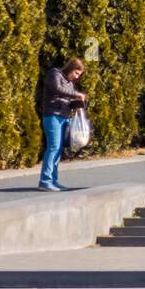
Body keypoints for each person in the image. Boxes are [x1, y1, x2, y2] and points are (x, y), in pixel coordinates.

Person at [39, 58, 86, 191]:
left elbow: (69, 98)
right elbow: (57, 89)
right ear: (71, 68)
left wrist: (77, 104)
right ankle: (45, 181)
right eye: (76, 73)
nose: (77, 77)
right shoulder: (55, 74)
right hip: (52, 116)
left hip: (64, 117)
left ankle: (53, 180)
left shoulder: (70, 83)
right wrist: (76, 94)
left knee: (58, 149)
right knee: (53, 147)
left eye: (79, 75)